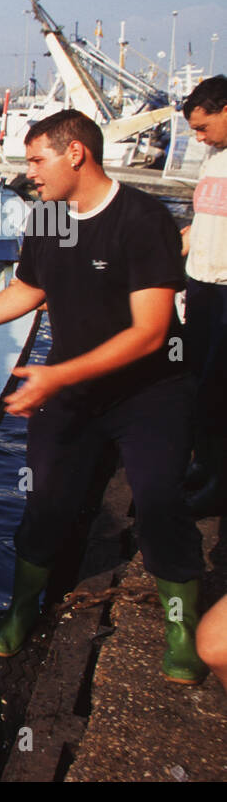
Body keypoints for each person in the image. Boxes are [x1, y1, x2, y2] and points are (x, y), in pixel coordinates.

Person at [0, 109, 208, 684]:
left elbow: (150, 332)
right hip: (70, 389)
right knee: (45, 501)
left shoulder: (142, 219)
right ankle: (22, 608)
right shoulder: (46, 218)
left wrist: (57, 376)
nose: (30, 173)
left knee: (160, 503)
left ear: (76, 154)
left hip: (150, 392)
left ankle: (182, 628)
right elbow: (28, 288)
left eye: (37, 160)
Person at [177, 75, 227, 515]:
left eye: (203, 127)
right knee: (197, 380)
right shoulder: (213, 159)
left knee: (219, 386)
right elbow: (204, 222)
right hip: (201, 283)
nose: (199, 137)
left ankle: (219, 484)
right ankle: (206, 463)